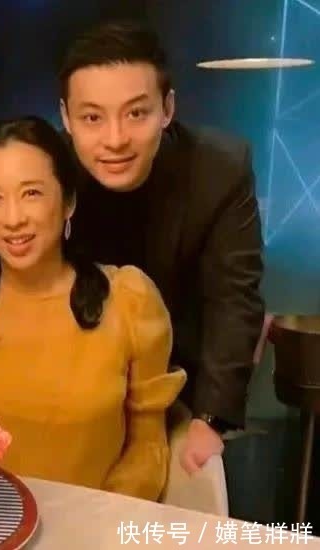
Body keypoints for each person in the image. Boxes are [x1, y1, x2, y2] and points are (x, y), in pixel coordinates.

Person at [0, 116, 186, 501]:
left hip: (91, 525)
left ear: (68, 202)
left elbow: (147, 447)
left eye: (31, 193)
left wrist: (96, 522)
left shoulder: (131, 302)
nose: (13, 219)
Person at [59, 21, 265, 474]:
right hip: (68, 384)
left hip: (177, 386)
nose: (115, 139)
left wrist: (211, 418)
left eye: (136, 113)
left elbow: (234, 297)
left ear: (167, 108)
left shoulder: (218, 170)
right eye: (92, 118)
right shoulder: (46, 170)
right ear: (66, 118)